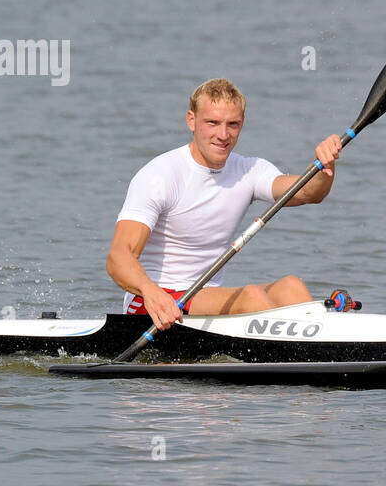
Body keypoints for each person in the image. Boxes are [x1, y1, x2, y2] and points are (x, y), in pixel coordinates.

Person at [107, 78, 341, 331]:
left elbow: (308, 192)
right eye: (212, 123)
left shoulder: (248, 170)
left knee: (291, 288)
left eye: (233, 124)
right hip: (153, 302)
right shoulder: (161, 175)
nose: (223, 135)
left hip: (206, 298)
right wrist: (150, 291)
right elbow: (118, 258)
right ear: (191, 120)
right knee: (250, 297)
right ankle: (298, 355)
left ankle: (324, 348)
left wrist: (324, 165)